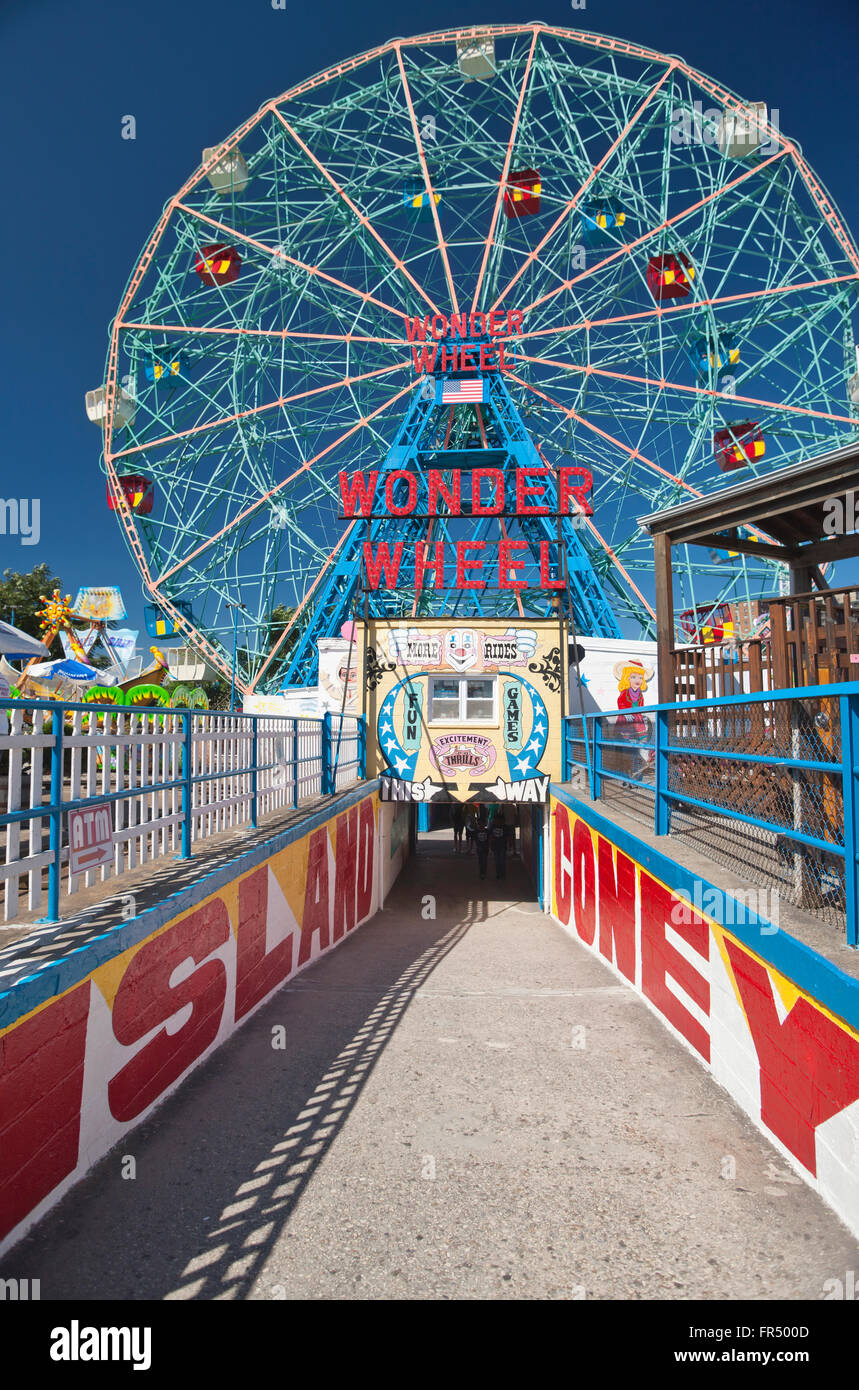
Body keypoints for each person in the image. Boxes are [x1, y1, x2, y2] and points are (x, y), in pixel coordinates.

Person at [490, 806, 507, 880]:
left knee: (501, 861)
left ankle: (502, 874)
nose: (496, 821)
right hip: (496, 846)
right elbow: (491, 837)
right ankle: (499, 874)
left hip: (502, 846)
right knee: (497, 861)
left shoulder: (504, 827)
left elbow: (506, 837)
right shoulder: (493, 826)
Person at [474, 806, 490, 880]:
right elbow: (476, 840)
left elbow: (489, 839)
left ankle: (483, 873)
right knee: (481, 861)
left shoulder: (485, 831)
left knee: (483, 861)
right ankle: (482, 873)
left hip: (484, 848)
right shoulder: (477, 831)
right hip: (480, 848)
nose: (480, 825)